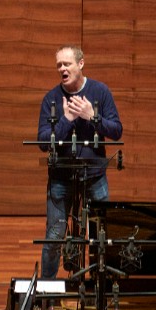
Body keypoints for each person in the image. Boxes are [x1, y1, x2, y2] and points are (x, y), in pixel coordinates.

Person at [36, 44, 123, 277]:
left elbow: (116, 130)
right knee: (54, 238)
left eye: (67, 64)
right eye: (59, 65)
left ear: (81, 64)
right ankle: (48, 291)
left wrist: (92, 117)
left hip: (95, 177)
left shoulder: (100, 91)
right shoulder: (51, 98)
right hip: (61, 178)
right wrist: (67, 119)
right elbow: (43, 142)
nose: (62, 69)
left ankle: (98, 286)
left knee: (100, 236)